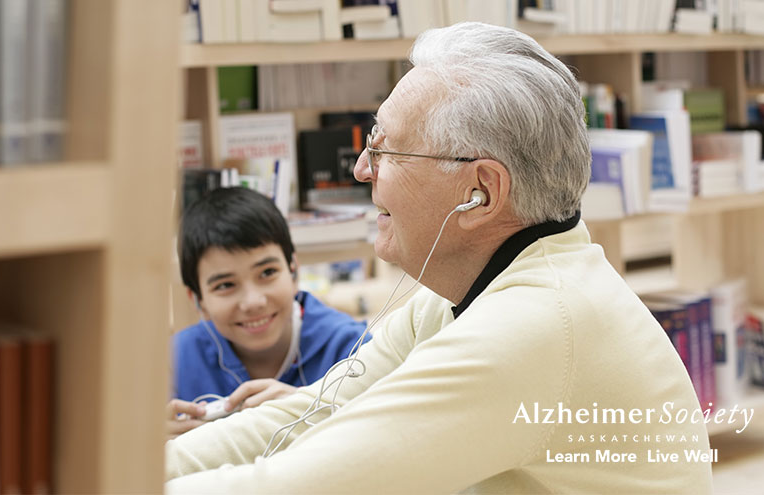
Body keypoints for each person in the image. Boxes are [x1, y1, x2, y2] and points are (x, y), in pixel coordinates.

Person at [164, 22, 713, 493]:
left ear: (481, 191)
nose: (360, 168)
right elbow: (313, 411)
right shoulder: (475, 288)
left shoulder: (531, 326)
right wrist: (139, 465)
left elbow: (298, 484)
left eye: (386, 149)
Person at [167, 187, 370, 438]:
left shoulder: (354, 349)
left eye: (267, 273)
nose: (253, 302)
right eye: (225, 285)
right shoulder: (173, 362)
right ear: (198, 301)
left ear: (293, 271)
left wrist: (308, 408)